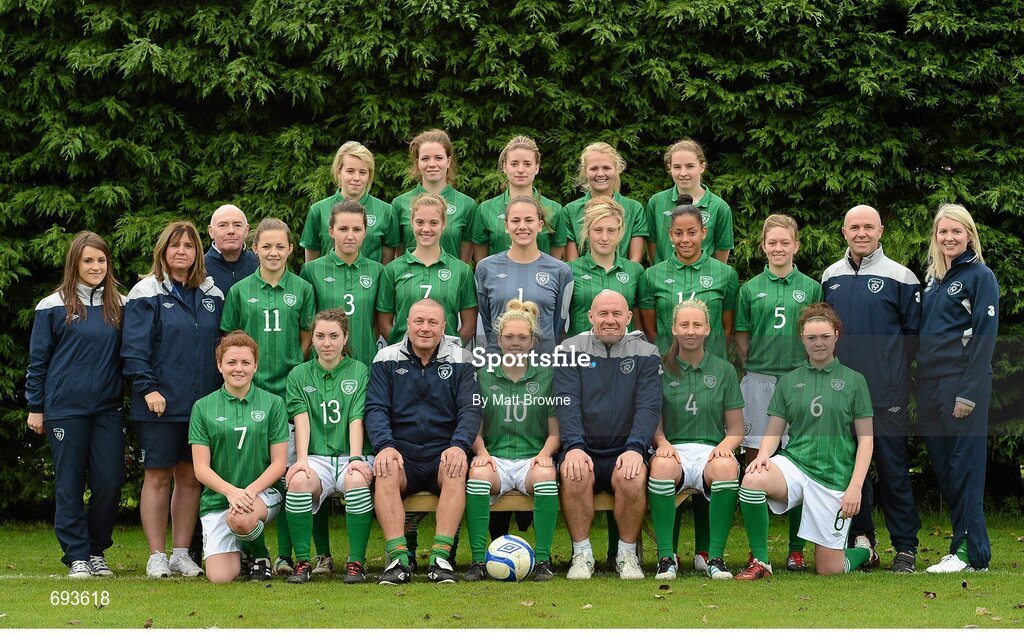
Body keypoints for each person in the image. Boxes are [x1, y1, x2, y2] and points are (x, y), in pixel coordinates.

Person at [734, 303, 875, 580]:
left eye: (824, 336)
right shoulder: (789, 381)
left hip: (833, 477)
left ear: (836, 335)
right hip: (796, 466)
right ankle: (761, 562)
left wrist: (855, 488)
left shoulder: (855, 381)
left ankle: (865, 552)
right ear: (802, 339)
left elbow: (866, 441)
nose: (818, 343)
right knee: (752, 479)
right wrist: (763, 455)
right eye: (811, 338)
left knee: (829, 569)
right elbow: (774, 430)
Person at [821, 204, 921, 572]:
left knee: (892, 469)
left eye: (868, 227)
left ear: (880, 230)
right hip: (841, 394)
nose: (861, 233)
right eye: (854, 227)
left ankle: (906, 548)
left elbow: (913, 339)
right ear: (844, 232)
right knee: (851, 472)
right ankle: (863, 541)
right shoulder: (830, 276)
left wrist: (890, 373)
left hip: (886, 394)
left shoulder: (902, 276)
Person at [122, 221, 224, 579]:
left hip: (201, 407)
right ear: (163, 250)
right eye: (174, 245)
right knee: (158, 477)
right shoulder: (145, 292)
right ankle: (156, 555)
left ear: (198, 252)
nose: (181, 251)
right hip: (159, 405)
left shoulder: (213, 293)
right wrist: (149, 389)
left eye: (189, 246)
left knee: (191, 478)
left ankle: (181, 553)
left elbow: (222, 350)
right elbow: (133, 351)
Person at [26, 231, 126, 578]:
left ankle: (97, 550)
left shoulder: (120, 305)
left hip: (108, 409)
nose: (96, 266)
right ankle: (77, 556)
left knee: (110, 482)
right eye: (88, 260)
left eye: (101, 260)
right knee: (69, 483)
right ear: (75, 264)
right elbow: (38, 362)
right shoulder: (52, 306)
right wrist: (35, 406)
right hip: (64, 409)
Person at [220, 217, 315, 577]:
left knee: (290, 478)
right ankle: (254, 552)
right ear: (254, 248)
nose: (273, 252)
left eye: (280, 246)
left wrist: (292, 364)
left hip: (287, 394)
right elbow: (232, 340)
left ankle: (287, 555)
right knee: (248, 473)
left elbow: (306, 334)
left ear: (291, 250)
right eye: (266, 246)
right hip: (251, 395)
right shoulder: (241, 290)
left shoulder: (302, 288)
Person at [365, 299, 482, 584]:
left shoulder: (462, 359)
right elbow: (376, 408)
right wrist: (385, 446)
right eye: (419, 321)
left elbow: (471, 409)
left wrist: (459, 445)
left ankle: (440, 559)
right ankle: (398, 560)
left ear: (445, 327)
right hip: (402, 454)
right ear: (408, 323)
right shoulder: (386, 359)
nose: (425, 328)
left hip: (443, 452)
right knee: (386, 468)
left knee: (457, 467)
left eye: (432, 323)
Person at [735, 214, 822, 572]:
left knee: (799, 461)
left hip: (798, 382)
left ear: (796, 245)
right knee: (756, 460)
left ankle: (796, 548)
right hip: (758, 381)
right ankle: (759, 551)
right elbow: (741, 336)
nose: (779, 248)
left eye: (785, 242)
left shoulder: (811, 287)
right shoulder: (750, 288)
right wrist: (755, 368)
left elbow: (818, 334)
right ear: (763, 247)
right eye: (772, 242)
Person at [554, 290, 661, 580]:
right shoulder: (568, 349)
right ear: (590, 317)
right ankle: (581, 554)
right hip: (584, 447)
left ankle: (626, 555)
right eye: (603, 314)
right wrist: (574, 447)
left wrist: (636, 449)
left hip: (625, 448)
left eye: (617, 314)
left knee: (633, 475)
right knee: (574, 472)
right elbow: (567, 401)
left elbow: (648, 407)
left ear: (628, 317)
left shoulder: (647, 353)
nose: (610, 320)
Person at [917, 204, 998, 573]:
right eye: (943, 232)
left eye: (956, 232)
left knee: (965, 467)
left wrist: (968, 392)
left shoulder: (980, 276)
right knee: (946, 469)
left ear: (969, 234)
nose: (949, 238)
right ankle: (974, 553)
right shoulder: (933, 279)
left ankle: (966, 552)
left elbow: (984, 337)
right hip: (931, 385)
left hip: (962, 384)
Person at [464, 300, 561, 582]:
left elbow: (556, 431)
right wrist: (481, 451)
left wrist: (545, 454)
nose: (515, 343)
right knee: (478, 475)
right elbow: (474, 426)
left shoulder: (547, 375)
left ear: (533, 341)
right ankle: (478, 561)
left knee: (546, 475)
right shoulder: (482, 374)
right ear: (498, 339)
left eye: (522, 338)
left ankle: (542, 560)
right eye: (509, 337)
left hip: (532, 458)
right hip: (496, 458)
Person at [648, 300, 744, 581]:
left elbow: (736, 429)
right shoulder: (658, 369)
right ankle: (667, 558)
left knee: (726, 467)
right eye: (685, 325)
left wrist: (724, 448)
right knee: (662, 467)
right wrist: (662, 444)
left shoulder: (724, 370)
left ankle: (715, 558)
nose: (691, 331)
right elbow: (655, 427)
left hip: (711, 450)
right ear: (674, 328)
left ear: (708, 329)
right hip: (672, 448)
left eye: (697, 325)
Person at [189, 331, 289, 583]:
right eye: (231, 362)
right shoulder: (203, 407)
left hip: (263, 494)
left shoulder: (273, 403)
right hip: (219, 500)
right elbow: (200, 468)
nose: (238, 369)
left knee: (240, 517)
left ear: (255, 365)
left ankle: (260, 556)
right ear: (219, 365)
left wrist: (249, 492)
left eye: (245, 362)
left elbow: (279, 463)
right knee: (221, 577)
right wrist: (231, 492)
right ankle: (245, 548)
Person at [283, 309, 375, 584]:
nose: (327, 343)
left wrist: (357, 457)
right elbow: (302, 421)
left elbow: (356, 418)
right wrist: (300, 460)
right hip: (316, 457)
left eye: (334, 336)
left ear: (345, 338)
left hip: (350, 454)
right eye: (320, 336)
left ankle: (356, 562)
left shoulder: (359, 370)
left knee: (357, 479)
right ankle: (302, 562)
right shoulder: (299, 374)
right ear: (311, 339)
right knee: (298, 482)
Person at [640, 194, 738, 358]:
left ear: (703, 232)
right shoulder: (651, 276)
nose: (685, 239)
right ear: (670, 234)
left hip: (712, 365)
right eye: (678, 233)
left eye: (692, 232)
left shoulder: (726, 274)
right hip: (667, 365)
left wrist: (716, 356)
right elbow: (651, 330)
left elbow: (728, 328)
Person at [475, 196, 574, 354]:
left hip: (543, 363)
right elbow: (486, 321)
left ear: (540, 225)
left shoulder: (560, 271)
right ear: (506, 226)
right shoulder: (485, 268)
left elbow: (558, 325)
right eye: (515, 221)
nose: (522, 226)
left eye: (529, 220)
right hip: (498, 363)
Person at [377, 193, 477, 346]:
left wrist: (449, 350)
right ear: (412, 223)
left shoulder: (462, 270)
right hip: (403, 359)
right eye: (420, 222)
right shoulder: (392, 270)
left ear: (443, 225)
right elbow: (384, 323)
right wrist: (405, 349)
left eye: (433, 223)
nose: (426, 229)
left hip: (446, 360)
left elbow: (469, 326)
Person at [300, 199, 384, 368]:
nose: (350, 236)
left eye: (357, 229)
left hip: (365, 362)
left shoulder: (378, 271)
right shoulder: (311, 270)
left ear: (365, 232)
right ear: (331, 231)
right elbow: (306, 324)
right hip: (322, 364)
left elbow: (377, 322)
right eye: (343, 229)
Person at [300, 141, 400, 265]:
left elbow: (387, 263)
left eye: (363, 172)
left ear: (369, 175)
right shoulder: (318, 210)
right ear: (339, 172)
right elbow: (312, 265)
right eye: (350, 171)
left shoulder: (386, 211)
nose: (357, 178)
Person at [471, 136, 568, 261]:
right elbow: (481, 264)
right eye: (514, 164)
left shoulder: (555, 209)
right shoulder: (486, 209)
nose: (520, 170)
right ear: (505, 167)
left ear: (537, 168)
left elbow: (555, 263)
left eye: (527, 164)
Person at [392, 129, 477, 262]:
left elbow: (464, 262)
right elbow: (398, 255)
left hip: (450, 282)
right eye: (425, 158)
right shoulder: (399, 203)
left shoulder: (467, 205)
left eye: (438, 158)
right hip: (410, 281)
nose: (432, 164)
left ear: (448, 162)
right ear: (418, 162)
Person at [645, 139, 733, 265]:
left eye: (690, 166)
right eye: (677, 167)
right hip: (664, 281)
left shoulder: (720, 207)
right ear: (669, 168)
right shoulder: (656, 202)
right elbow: (652, 246)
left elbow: (721, 254)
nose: (683, 173)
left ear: (702, 167)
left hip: (702, 282)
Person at [563, 142, 649, 263]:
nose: (600, 174)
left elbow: (634, 261)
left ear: (616, 170)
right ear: (585, 172)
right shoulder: (570, 210)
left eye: (606, 168)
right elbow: (572, 263)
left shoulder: (634, 209)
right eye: (594, 168)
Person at [204, 204, 259, 295]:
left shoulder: (259, 266)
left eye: (237, 225)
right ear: (211, 231)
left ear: (246, 230)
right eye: (223, 225)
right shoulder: (198, 269)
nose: (231, 231)